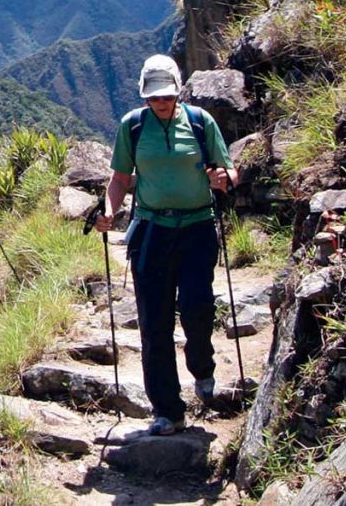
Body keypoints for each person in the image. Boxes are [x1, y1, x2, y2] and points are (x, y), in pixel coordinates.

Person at [94, 55, 238, 436]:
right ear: (145, 96)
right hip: (152, 230)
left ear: (178, 92)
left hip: (197, 229)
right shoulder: (134, 127)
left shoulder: (199, 122)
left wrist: (223, 178)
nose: (161, 102)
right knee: (154, 323)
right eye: (154, 97)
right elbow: (120, 178)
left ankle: (202, 367)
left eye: (167, 95)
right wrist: (108, 211)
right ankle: (167, 410)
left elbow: (228, 168)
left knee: (197, 307)